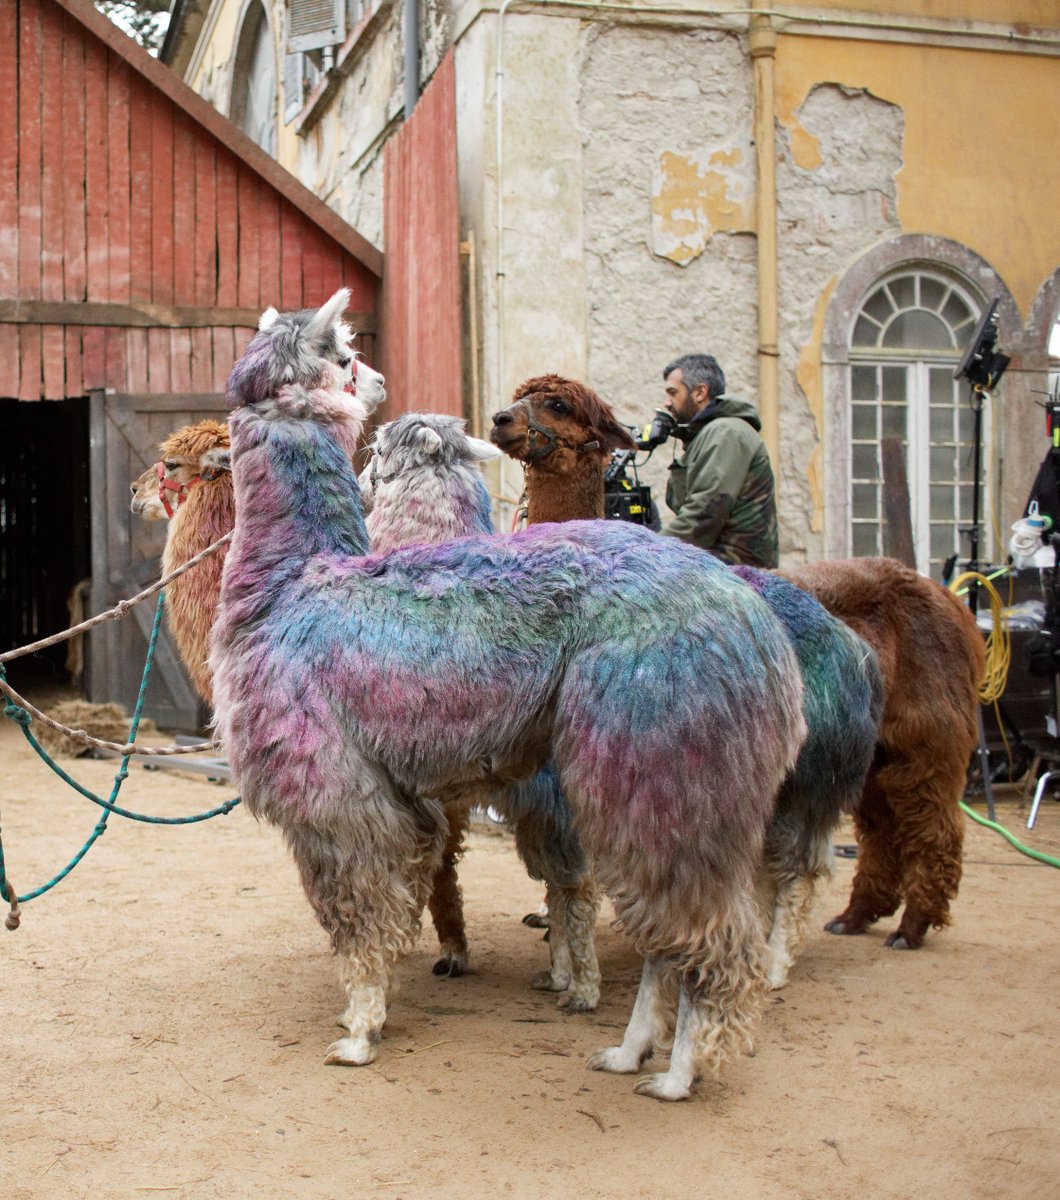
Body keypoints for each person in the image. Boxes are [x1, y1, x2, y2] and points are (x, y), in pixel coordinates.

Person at [660, 353, 779, 568]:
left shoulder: (726, 433)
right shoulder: (707, 435)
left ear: (700, 392)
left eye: (673, 393)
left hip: (736, 569)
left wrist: (648, 552)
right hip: (717, 563)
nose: (666, 402)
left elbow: (705, 514)